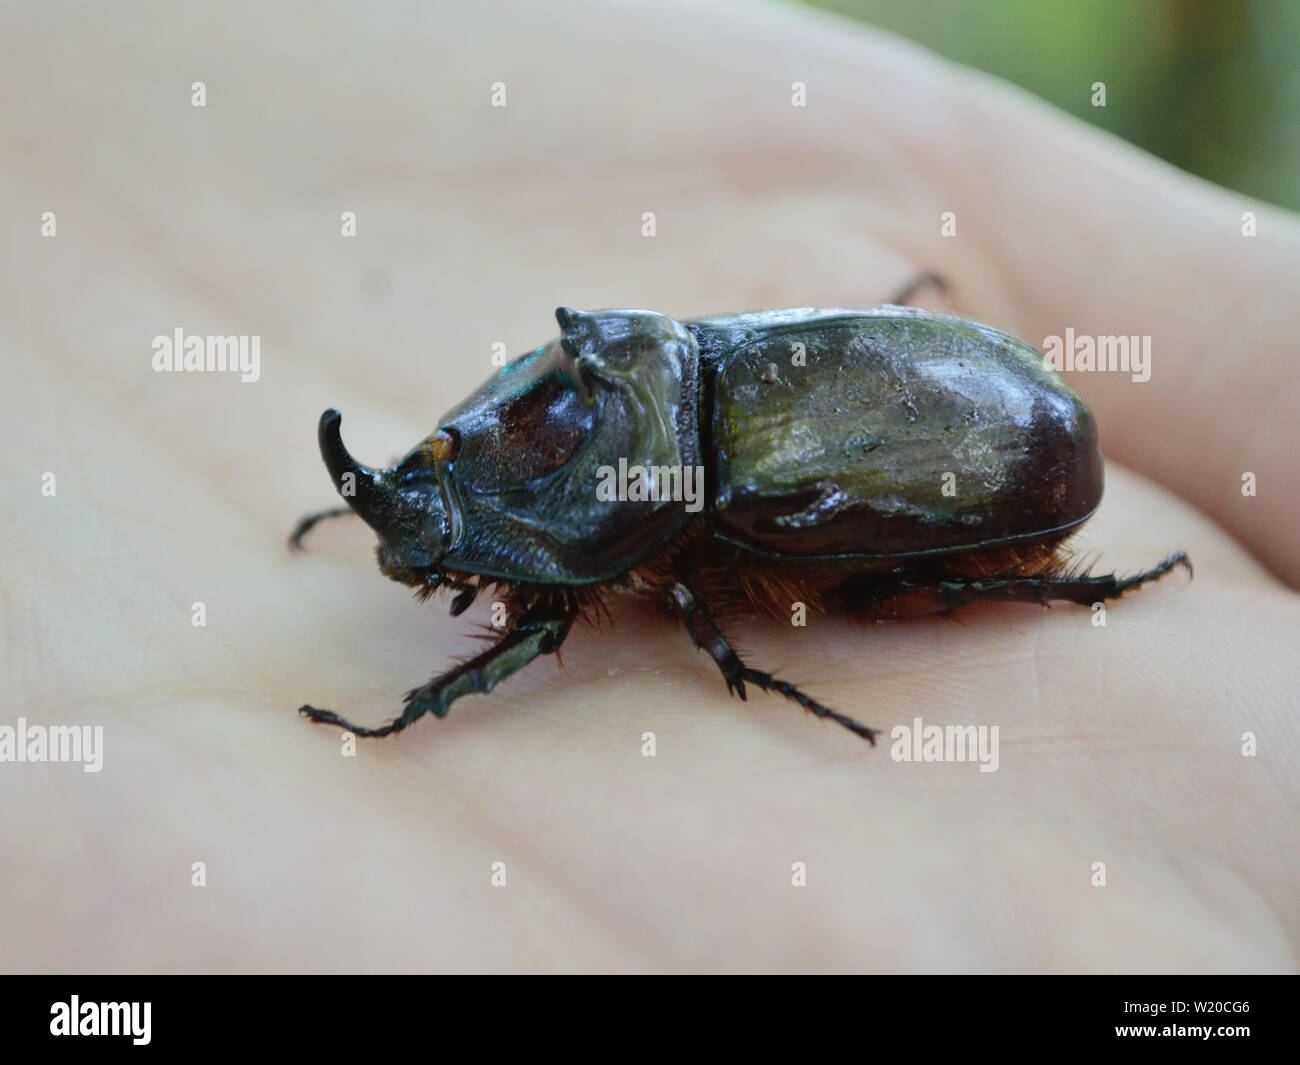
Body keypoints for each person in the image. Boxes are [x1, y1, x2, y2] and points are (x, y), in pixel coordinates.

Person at [3, 0, 1296, 972]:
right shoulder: (647, 371)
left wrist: (405, 712)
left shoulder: (678, 528)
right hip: (925, 381)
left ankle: (1078, 594)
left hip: (1010, 462)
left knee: (886, 587)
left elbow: (553, 609)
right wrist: (415, 487)